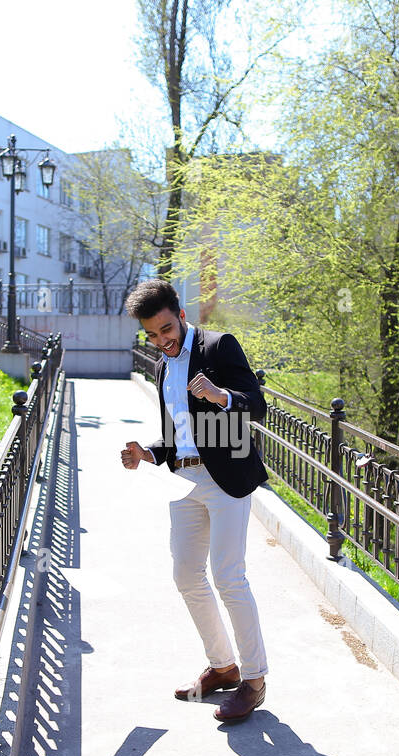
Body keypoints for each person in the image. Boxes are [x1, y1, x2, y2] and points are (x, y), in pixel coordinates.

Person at [119, 279, 271, 723]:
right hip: (185, 480)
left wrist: (221, 396)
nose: (161, 341)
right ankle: (223, 667)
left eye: (166, 329)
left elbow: (256, 404)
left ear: (180, 315)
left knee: (229, 576)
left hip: (226, 478)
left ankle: (255, 680)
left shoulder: (219, 346)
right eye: (151, 335)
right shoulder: (164, 366)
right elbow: (176, 435)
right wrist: (146, 454)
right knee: (186, 575)